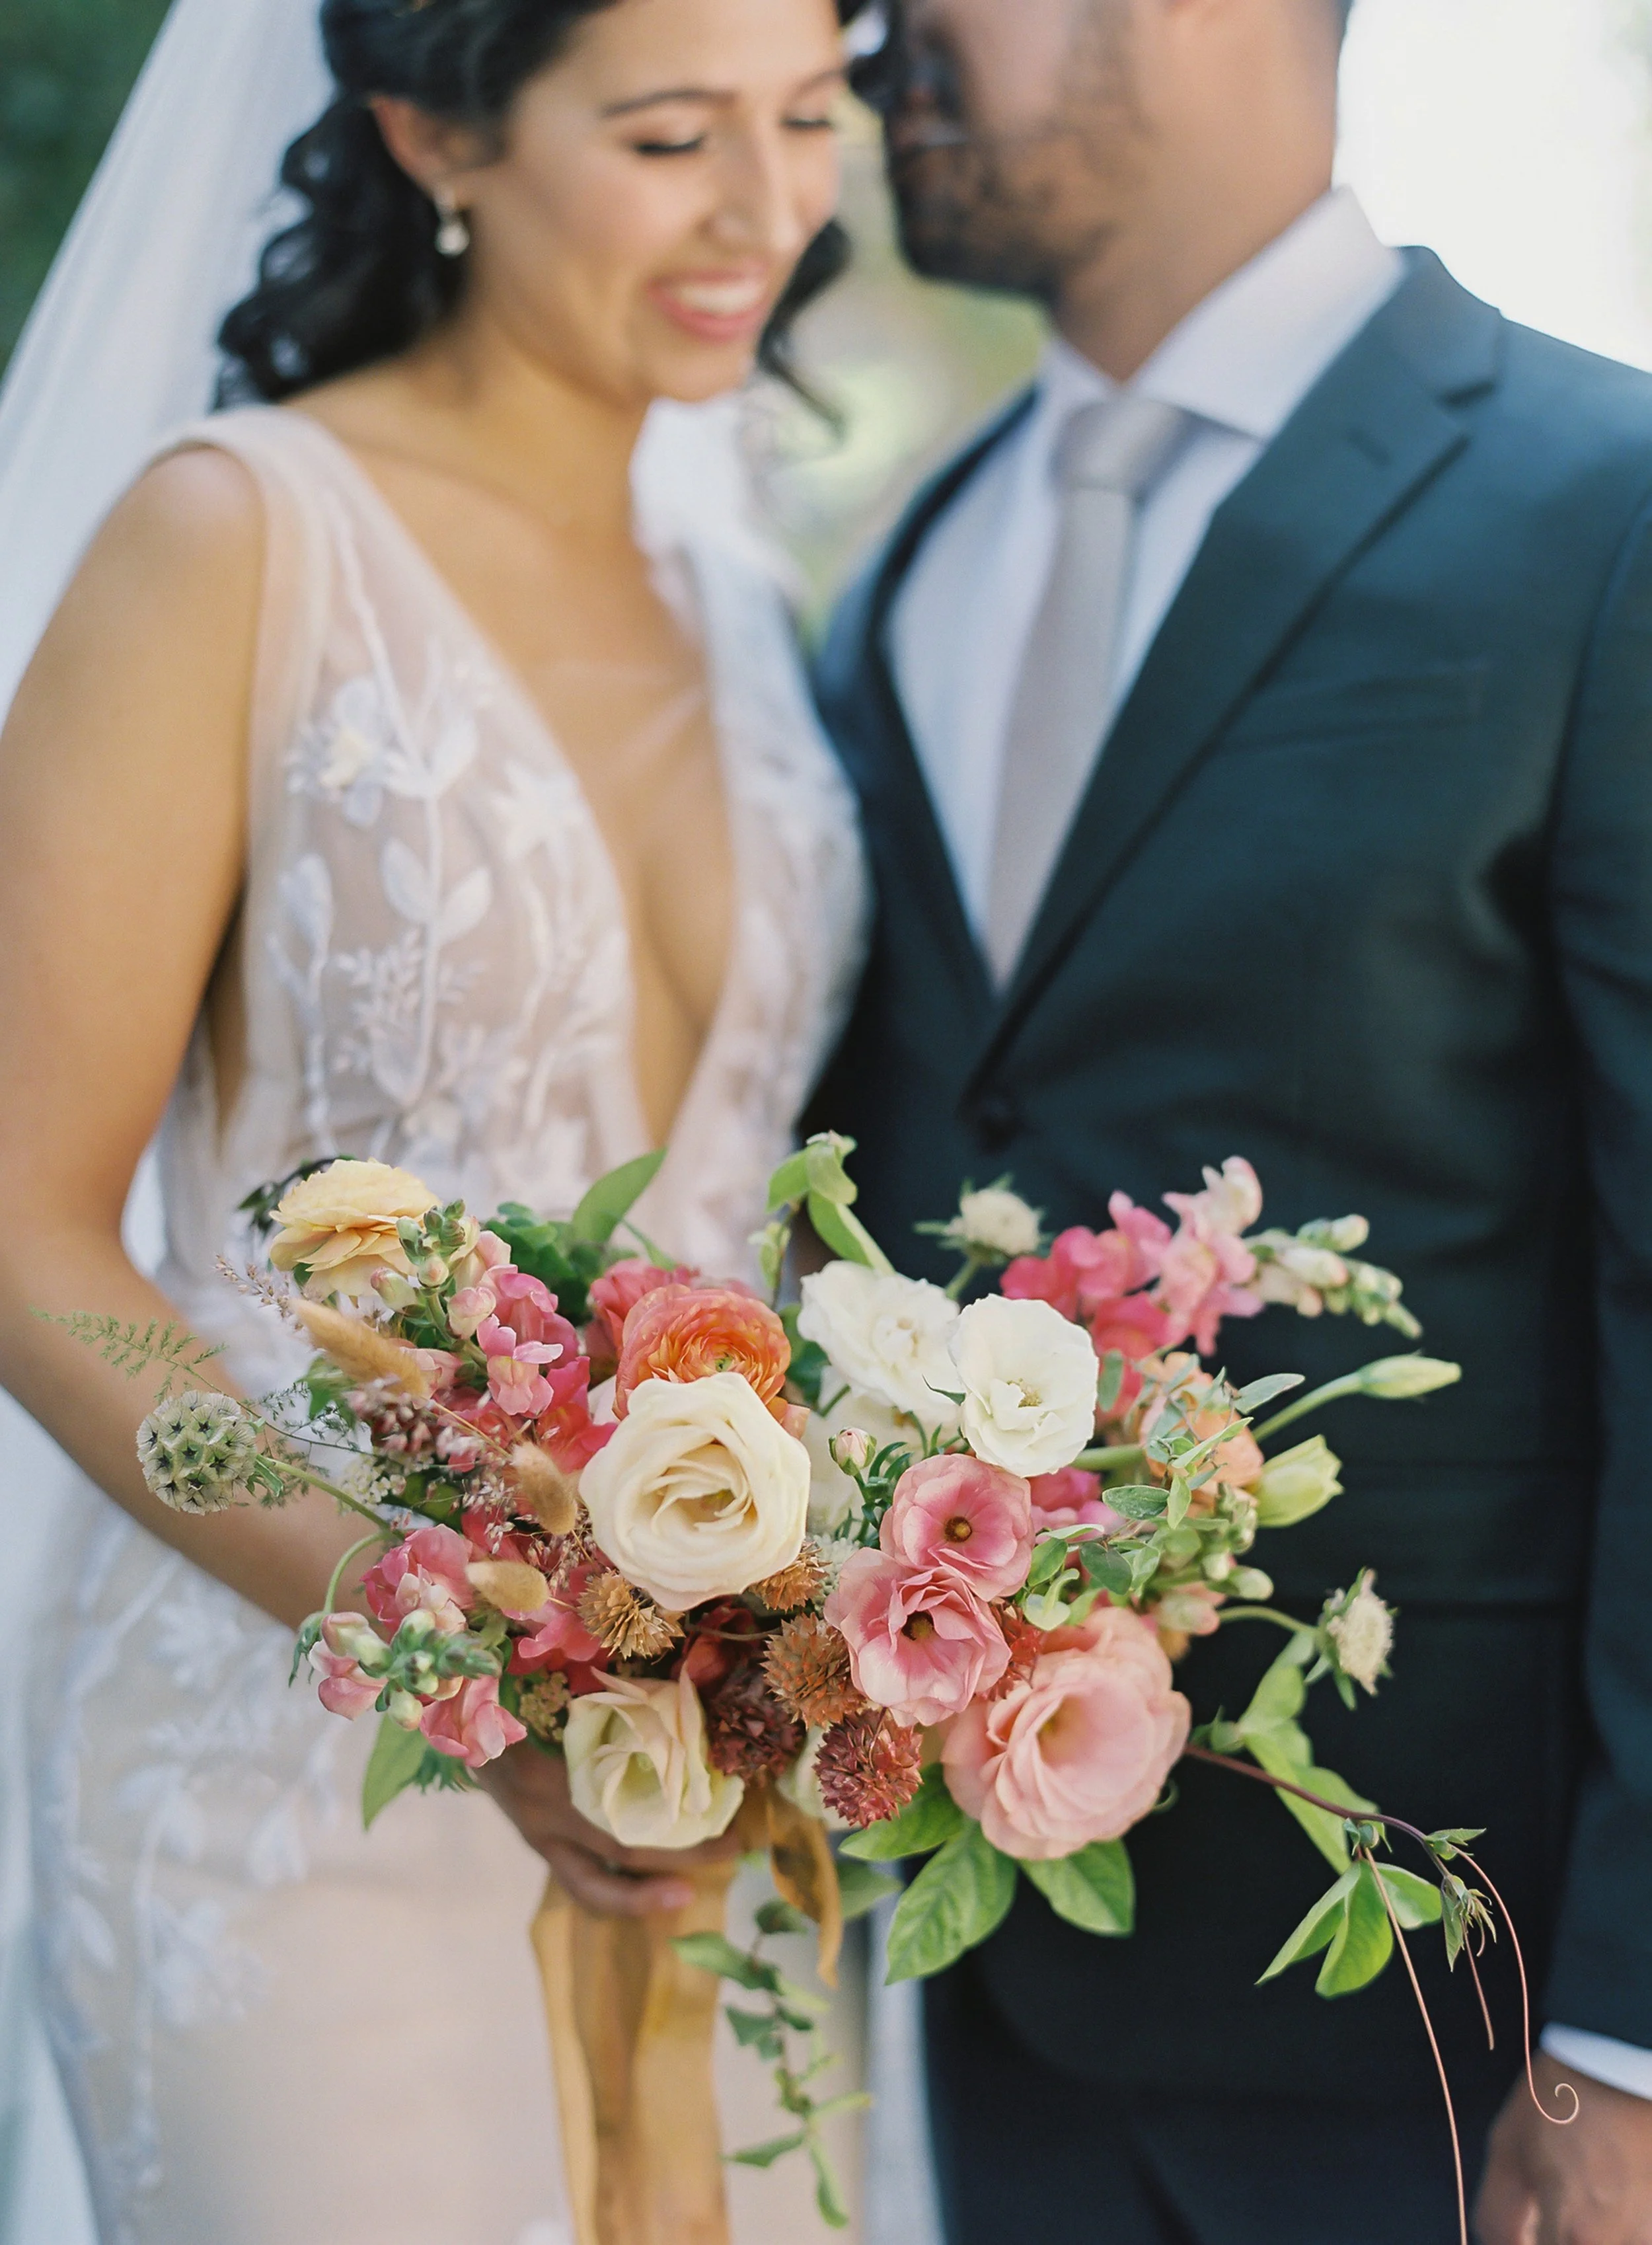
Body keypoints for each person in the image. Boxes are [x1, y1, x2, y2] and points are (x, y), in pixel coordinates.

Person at [0, 0, 868, 2238]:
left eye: (806, 115)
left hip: (712, 1785)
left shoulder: (748, 610)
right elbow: (25, 1233)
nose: (767, 214)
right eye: (674, 135)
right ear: (428, 131)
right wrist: (445, 1638)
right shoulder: (236, 538)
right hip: (284, 1758)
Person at [812, 0, 1652, 2239]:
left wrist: (1629, 2037)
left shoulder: (1601, 508)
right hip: (997, 1988)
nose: (874, 39)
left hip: (1453, 2020)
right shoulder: (902, 569)